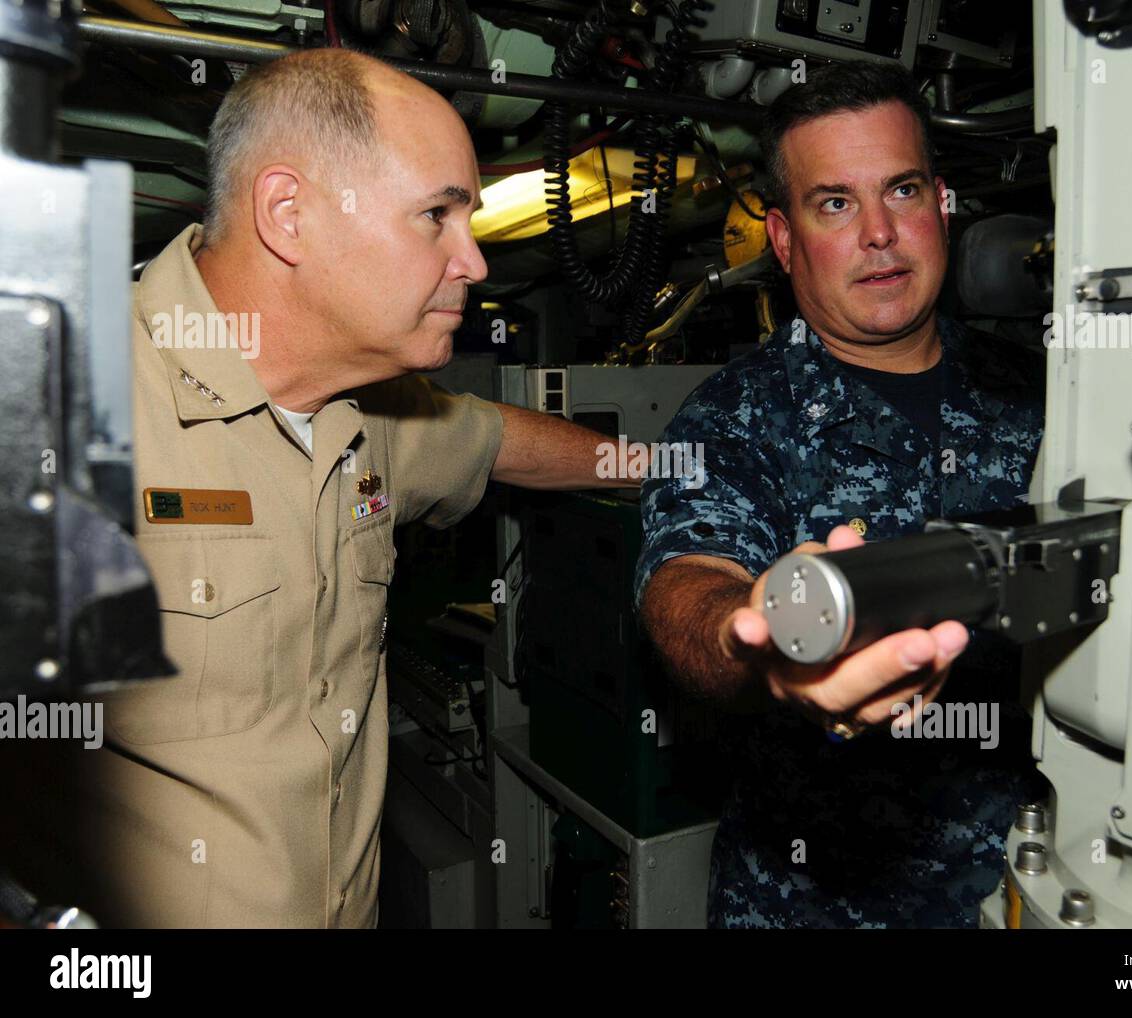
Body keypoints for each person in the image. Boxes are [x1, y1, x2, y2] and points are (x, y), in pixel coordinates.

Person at [65, 47, 626, 927]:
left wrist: (673, 473)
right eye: (437, 215)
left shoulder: (376, 416)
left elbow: (502, 442)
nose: (474, 264)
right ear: (289, 215)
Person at [636, 60, 1046, 928]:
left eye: (900, 190)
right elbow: (688, 586)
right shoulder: (733, 419)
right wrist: (758, 638)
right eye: (834, 204)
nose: (878, 234)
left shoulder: (1044, 395)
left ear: (941, 204)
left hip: (1026, 887)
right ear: (784, 242)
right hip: (817, 905)